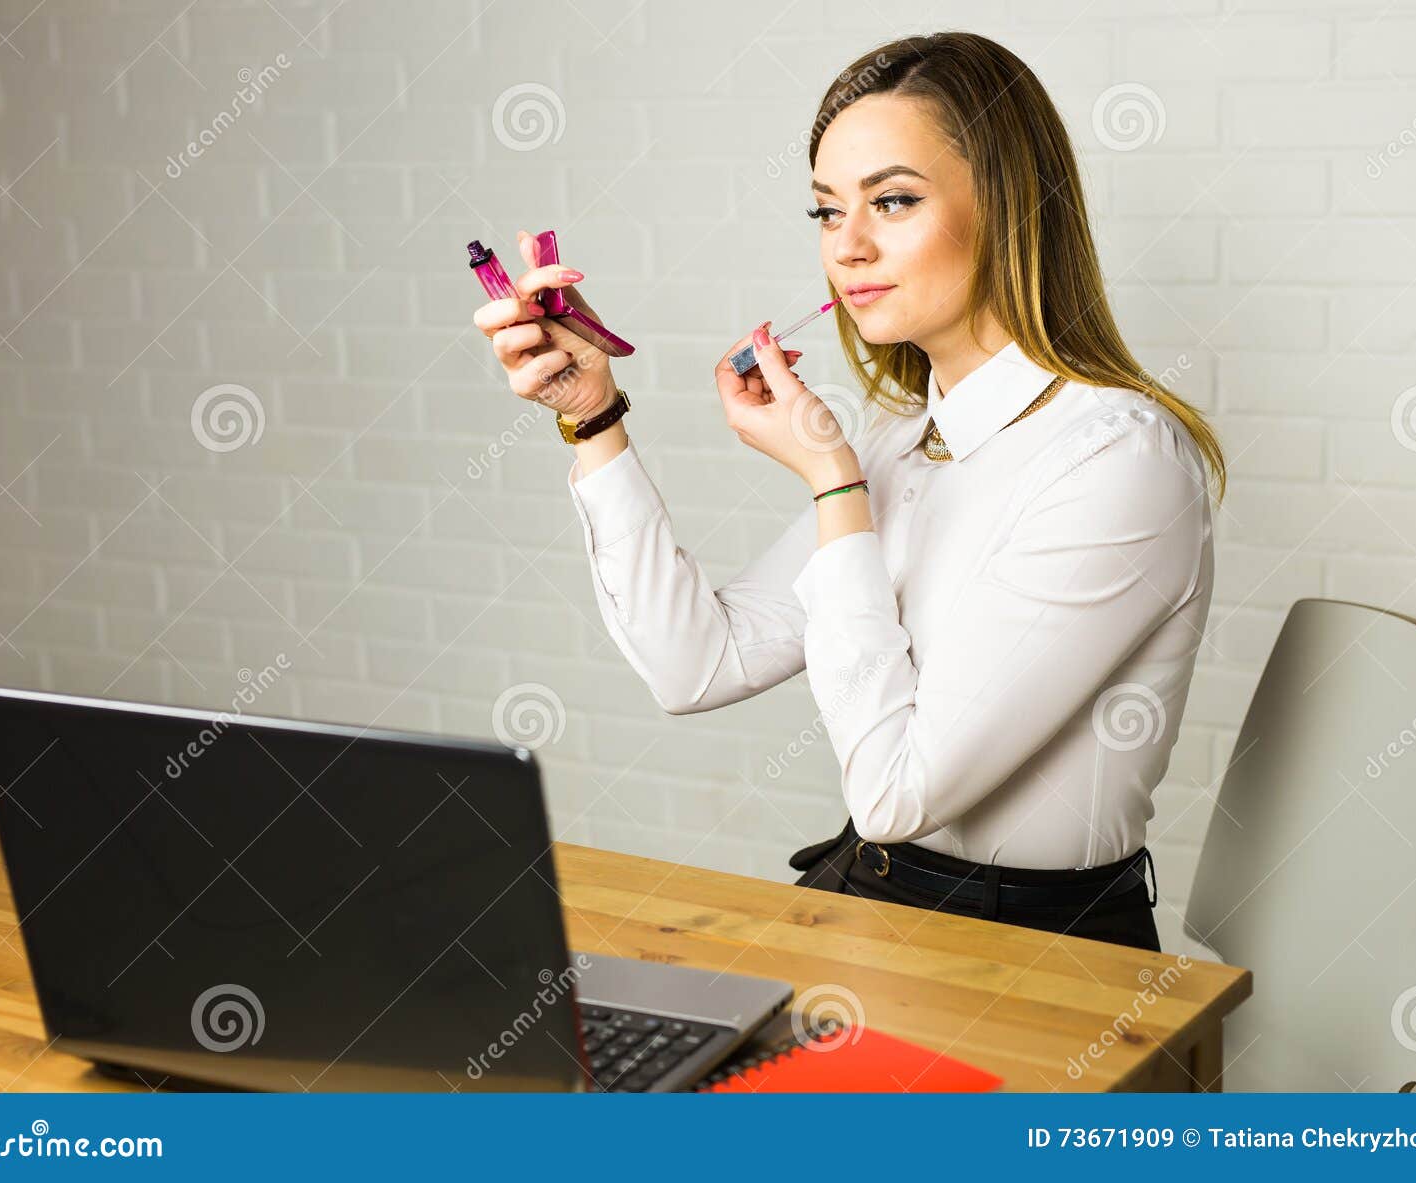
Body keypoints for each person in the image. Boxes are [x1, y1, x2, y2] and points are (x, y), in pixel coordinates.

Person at [470, 31, 1226, 954]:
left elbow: (894, 793)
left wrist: (836, 484)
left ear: (1010, 208)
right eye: (827, 212)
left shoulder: (1120, 461)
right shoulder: (905, 439)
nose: (849, 246)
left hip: (1042, 955)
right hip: (876, 914)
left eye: (894, 200)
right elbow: (694, 664)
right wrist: (594, 417)